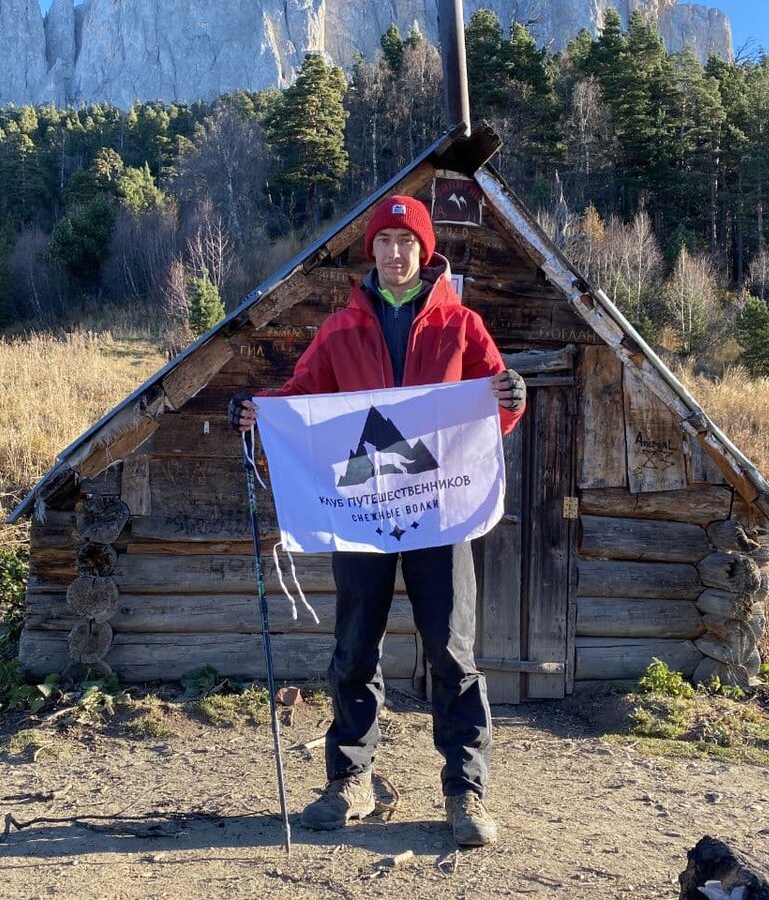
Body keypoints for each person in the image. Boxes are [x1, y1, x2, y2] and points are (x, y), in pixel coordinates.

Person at [229, 195, 525, 847]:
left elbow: (495, 405)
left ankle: (465, 791)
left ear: (425, 251)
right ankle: (350, 780)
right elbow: (301, 398)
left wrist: (513, 397)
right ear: (373, 251)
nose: (395, 253)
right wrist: (260, 412)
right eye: (385, 242)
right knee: (355, 645)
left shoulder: (462, 325)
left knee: (452, 649)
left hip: (440, 515)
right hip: (363, 515)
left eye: (406, 242)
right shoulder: (341, 330)